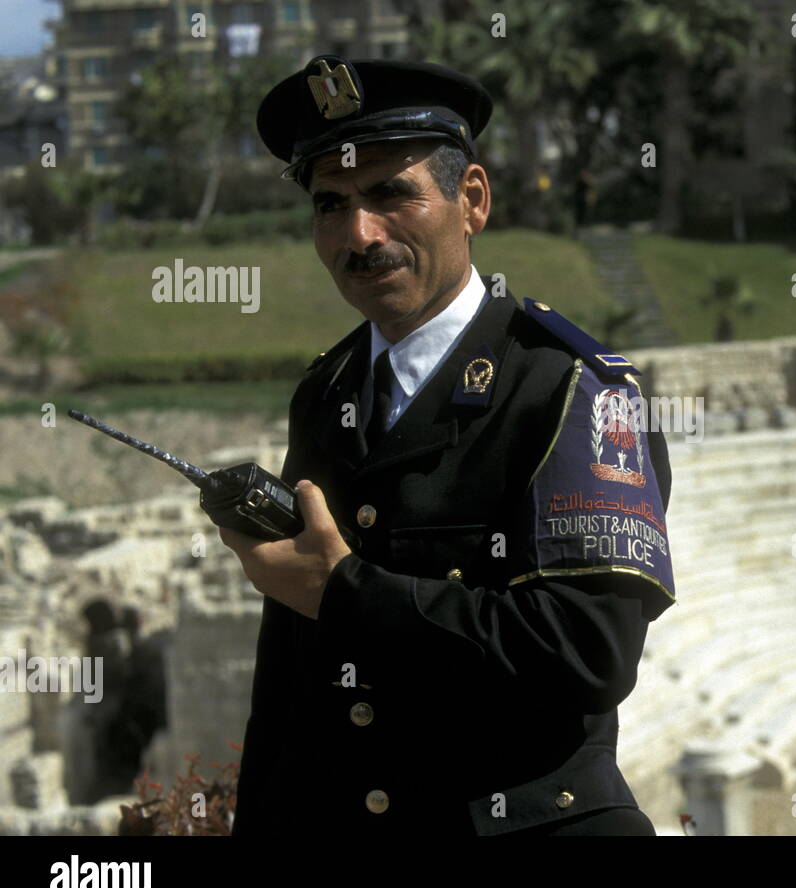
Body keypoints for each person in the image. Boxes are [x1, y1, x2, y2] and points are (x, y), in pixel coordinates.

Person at [219, 55, 675, 836]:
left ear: (471, 200)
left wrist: (351, 594)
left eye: (390, 194)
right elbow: (292, 674)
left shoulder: (572, 390)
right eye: (331, 205)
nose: (358, 234)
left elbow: (589, 650)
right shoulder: (327, 395)